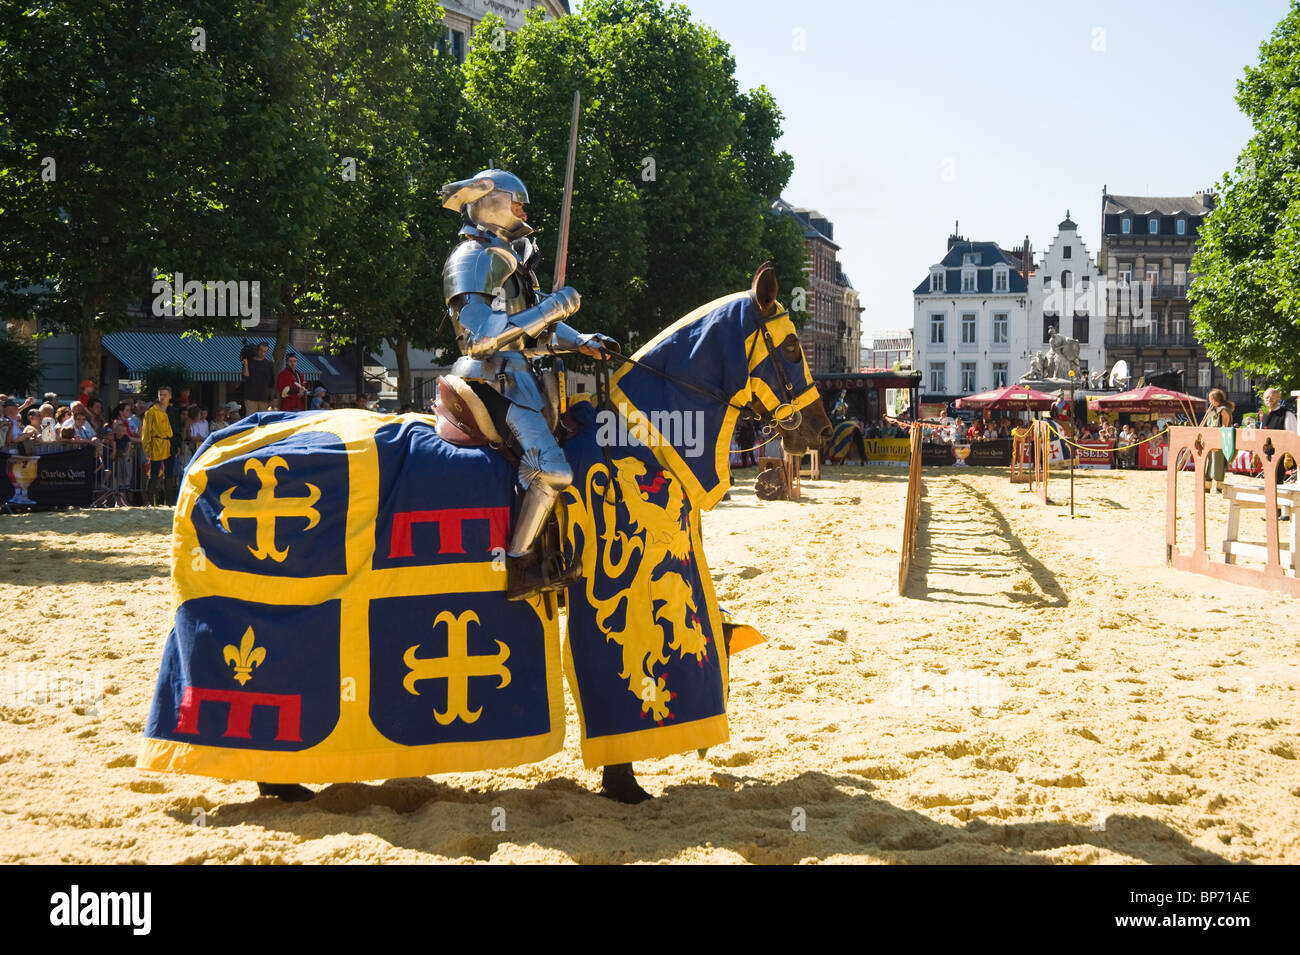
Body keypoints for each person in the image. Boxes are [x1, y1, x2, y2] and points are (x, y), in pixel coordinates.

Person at [440, 167, 617, 600]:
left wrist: (583, 341)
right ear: (486, 198)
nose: (523, 209)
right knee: (553, 471)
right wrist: (553, 307)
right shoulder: (473, 258)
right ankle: (520, 565)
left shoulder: (511, 262)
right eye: (516, 200)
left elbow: (534, 331)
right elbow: (481, 338)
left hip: (527, 381)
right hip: (492, 381)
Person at [141, 387, 173, 507]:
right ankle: (150, 502)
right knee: (154, 472)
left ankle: (168, 502)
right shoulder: (151, 412)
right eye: (160, 395)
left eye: (165, 395)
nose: (162, 397)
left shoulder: (171, 411)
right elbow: (146, 431)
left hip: (168, 444)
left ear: (170, 396)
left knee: (169, 473)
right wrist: (147, 447)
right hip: (156, 443)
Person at [1261, 387, 1297, 486]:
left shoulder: (1287, 414)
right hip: (1268, 457)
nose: (1269, 399)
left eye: (1272, 397)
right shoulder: (1265, 416)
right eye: (1267, 397)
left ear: (1278, 398)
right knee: (1268, 484)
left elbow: (1293, 436)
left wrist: (1288, 455)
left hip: (1281, 457)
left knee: (1277, 484)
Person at [1201, 388, 1234, 493]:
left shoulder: (1224, 410)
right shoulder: (1212, 410)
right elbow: (1208, 426)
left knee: (1218, 465)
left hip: (1219, 442)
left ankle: (1219, 488)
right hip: (1210, 441)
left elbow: (1225, 428)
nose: (1209, 400)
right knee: (1208, 464)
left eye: (1210, 398)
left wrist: (1219, 443)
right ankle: (1207, 487)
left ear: (1214, 398)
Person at [241, 342, 275, 413]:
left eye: (265, 351)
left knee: (263, 421)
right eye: (261, 350)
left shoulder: (269, 364)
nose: (262, 353)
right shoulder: (249, 362)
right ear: (257, 350)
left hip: (264, 398)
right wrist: (246, 364)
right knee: (252, 420)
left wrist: (272, 399)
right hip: (250, 397)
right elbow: (245, 377)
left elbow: (271, 384)